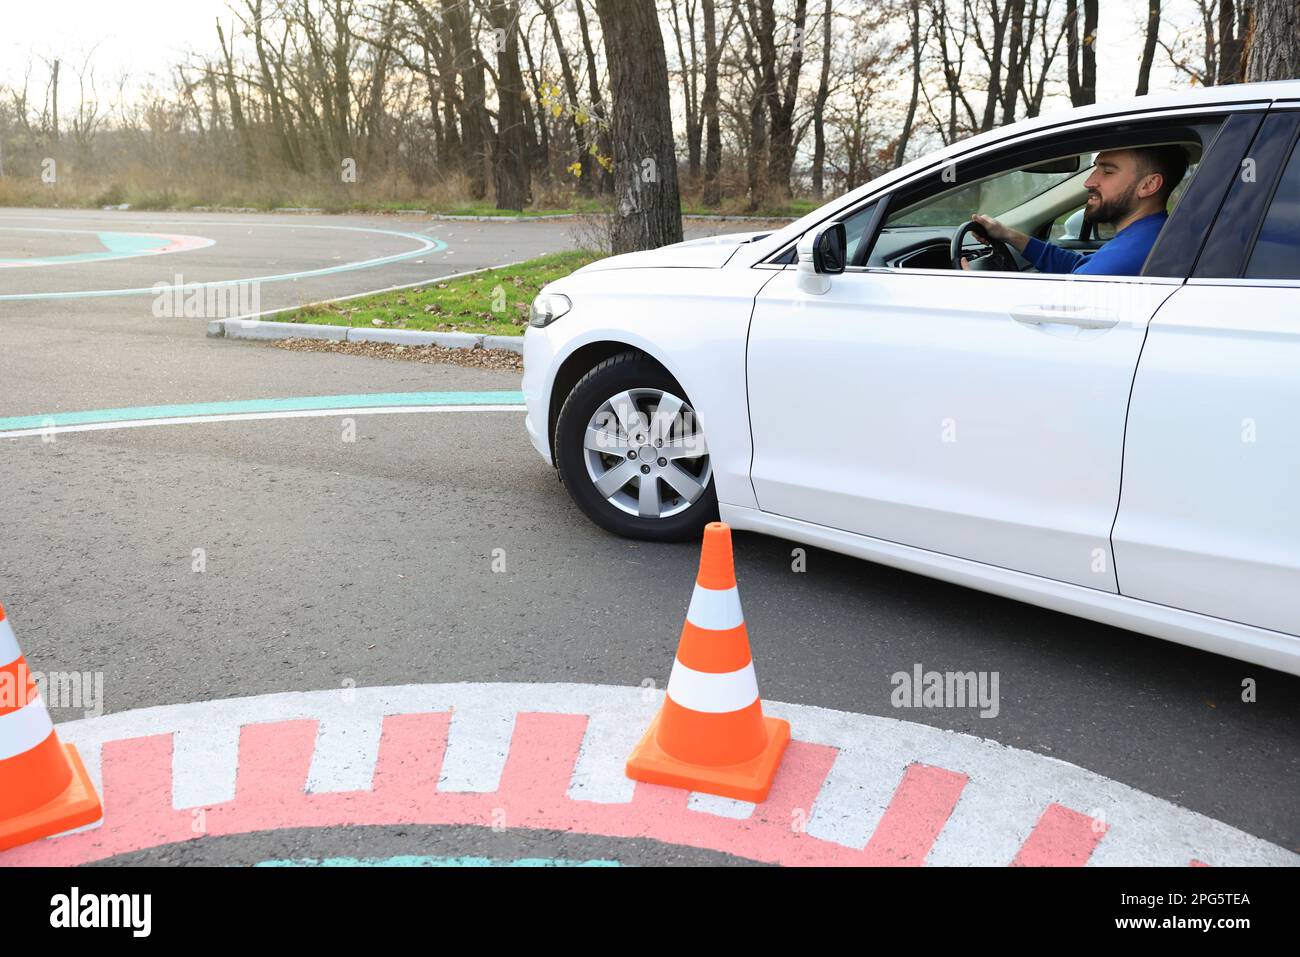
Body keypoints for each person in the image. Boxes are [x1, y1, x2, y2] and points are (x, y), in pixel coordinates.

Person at [961, 144, 1189, 276]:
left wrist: (978, 290)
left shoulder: (1129, 254)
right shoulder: (1147, 236)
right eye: (1095, 169)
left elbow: (1043, 316)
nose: (1089, 182)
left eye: (1107, 172)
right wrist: (1009, 235)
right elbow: (1079, 267)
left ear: (1148, 185)